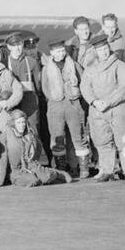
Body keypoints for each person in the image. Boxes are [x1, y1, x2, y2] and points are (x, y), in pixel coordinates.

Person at [80, 33, 125, 184]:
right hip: (97, 111)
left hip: (118, 109)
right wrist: (93, 101)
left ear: (109, 48)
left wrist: (108, 102)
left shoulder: (120, 65)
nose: (104, 52)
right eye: (100, 50)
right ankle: (107, 170)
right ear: (96, 51)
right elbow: (85, 87)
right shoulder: (90, 69)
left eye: (106, 48)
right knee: (102, 141)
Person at [42, 38, 89, 178]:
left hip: (73, 104)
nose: (60, 53)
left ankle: (83, 168)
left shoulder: (74, 65)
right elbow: (43, 87)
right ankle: (61, 168)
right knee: (57, 138)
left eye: (62, 50)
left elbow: (84, 82)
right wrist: (52, 98)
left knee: (78, 136)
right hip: (55, 106)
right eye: (57, 51)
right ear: (51, 53)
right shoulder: (46, 69)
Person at [2, 108, 71, 187]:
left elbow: (38, 148)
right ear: (13, 123)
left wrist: (34, 164)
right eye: (19, 122)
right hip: (16, 171)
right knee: (32, 181)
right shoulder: (6, 137)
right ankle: (37, 177)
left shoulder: (31, 135)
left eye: (23, 122)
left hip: (31, 166)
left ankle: (58, 173)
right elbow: (3, 160)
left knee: (47, 177)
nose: (22, 125)